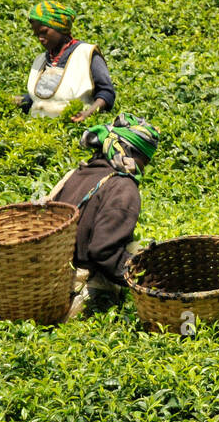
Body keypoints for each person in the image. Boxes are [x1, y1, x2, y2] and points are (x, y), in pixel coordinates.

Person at [44, 112, 160, 318]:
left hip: (47, 281)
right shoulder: (123, 187)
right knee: (140, 251)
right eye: (144, 159)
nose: (143, 167)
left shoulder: (77, 174)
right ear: (128, 151)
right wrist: (147, 282)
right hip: (78, 291)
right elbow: (103, 251)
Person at [19, 1, 116, 122]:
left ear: (60, 28)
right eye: (37, 34)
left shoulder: (86, 53)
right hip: (37, 130)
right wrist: (12, 101)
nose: (40, 38)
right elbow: (41, 99)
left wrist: (88, 113)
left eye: (44, 32)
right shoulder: (41, 60)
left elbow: (106, 93)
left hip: (74, 128)